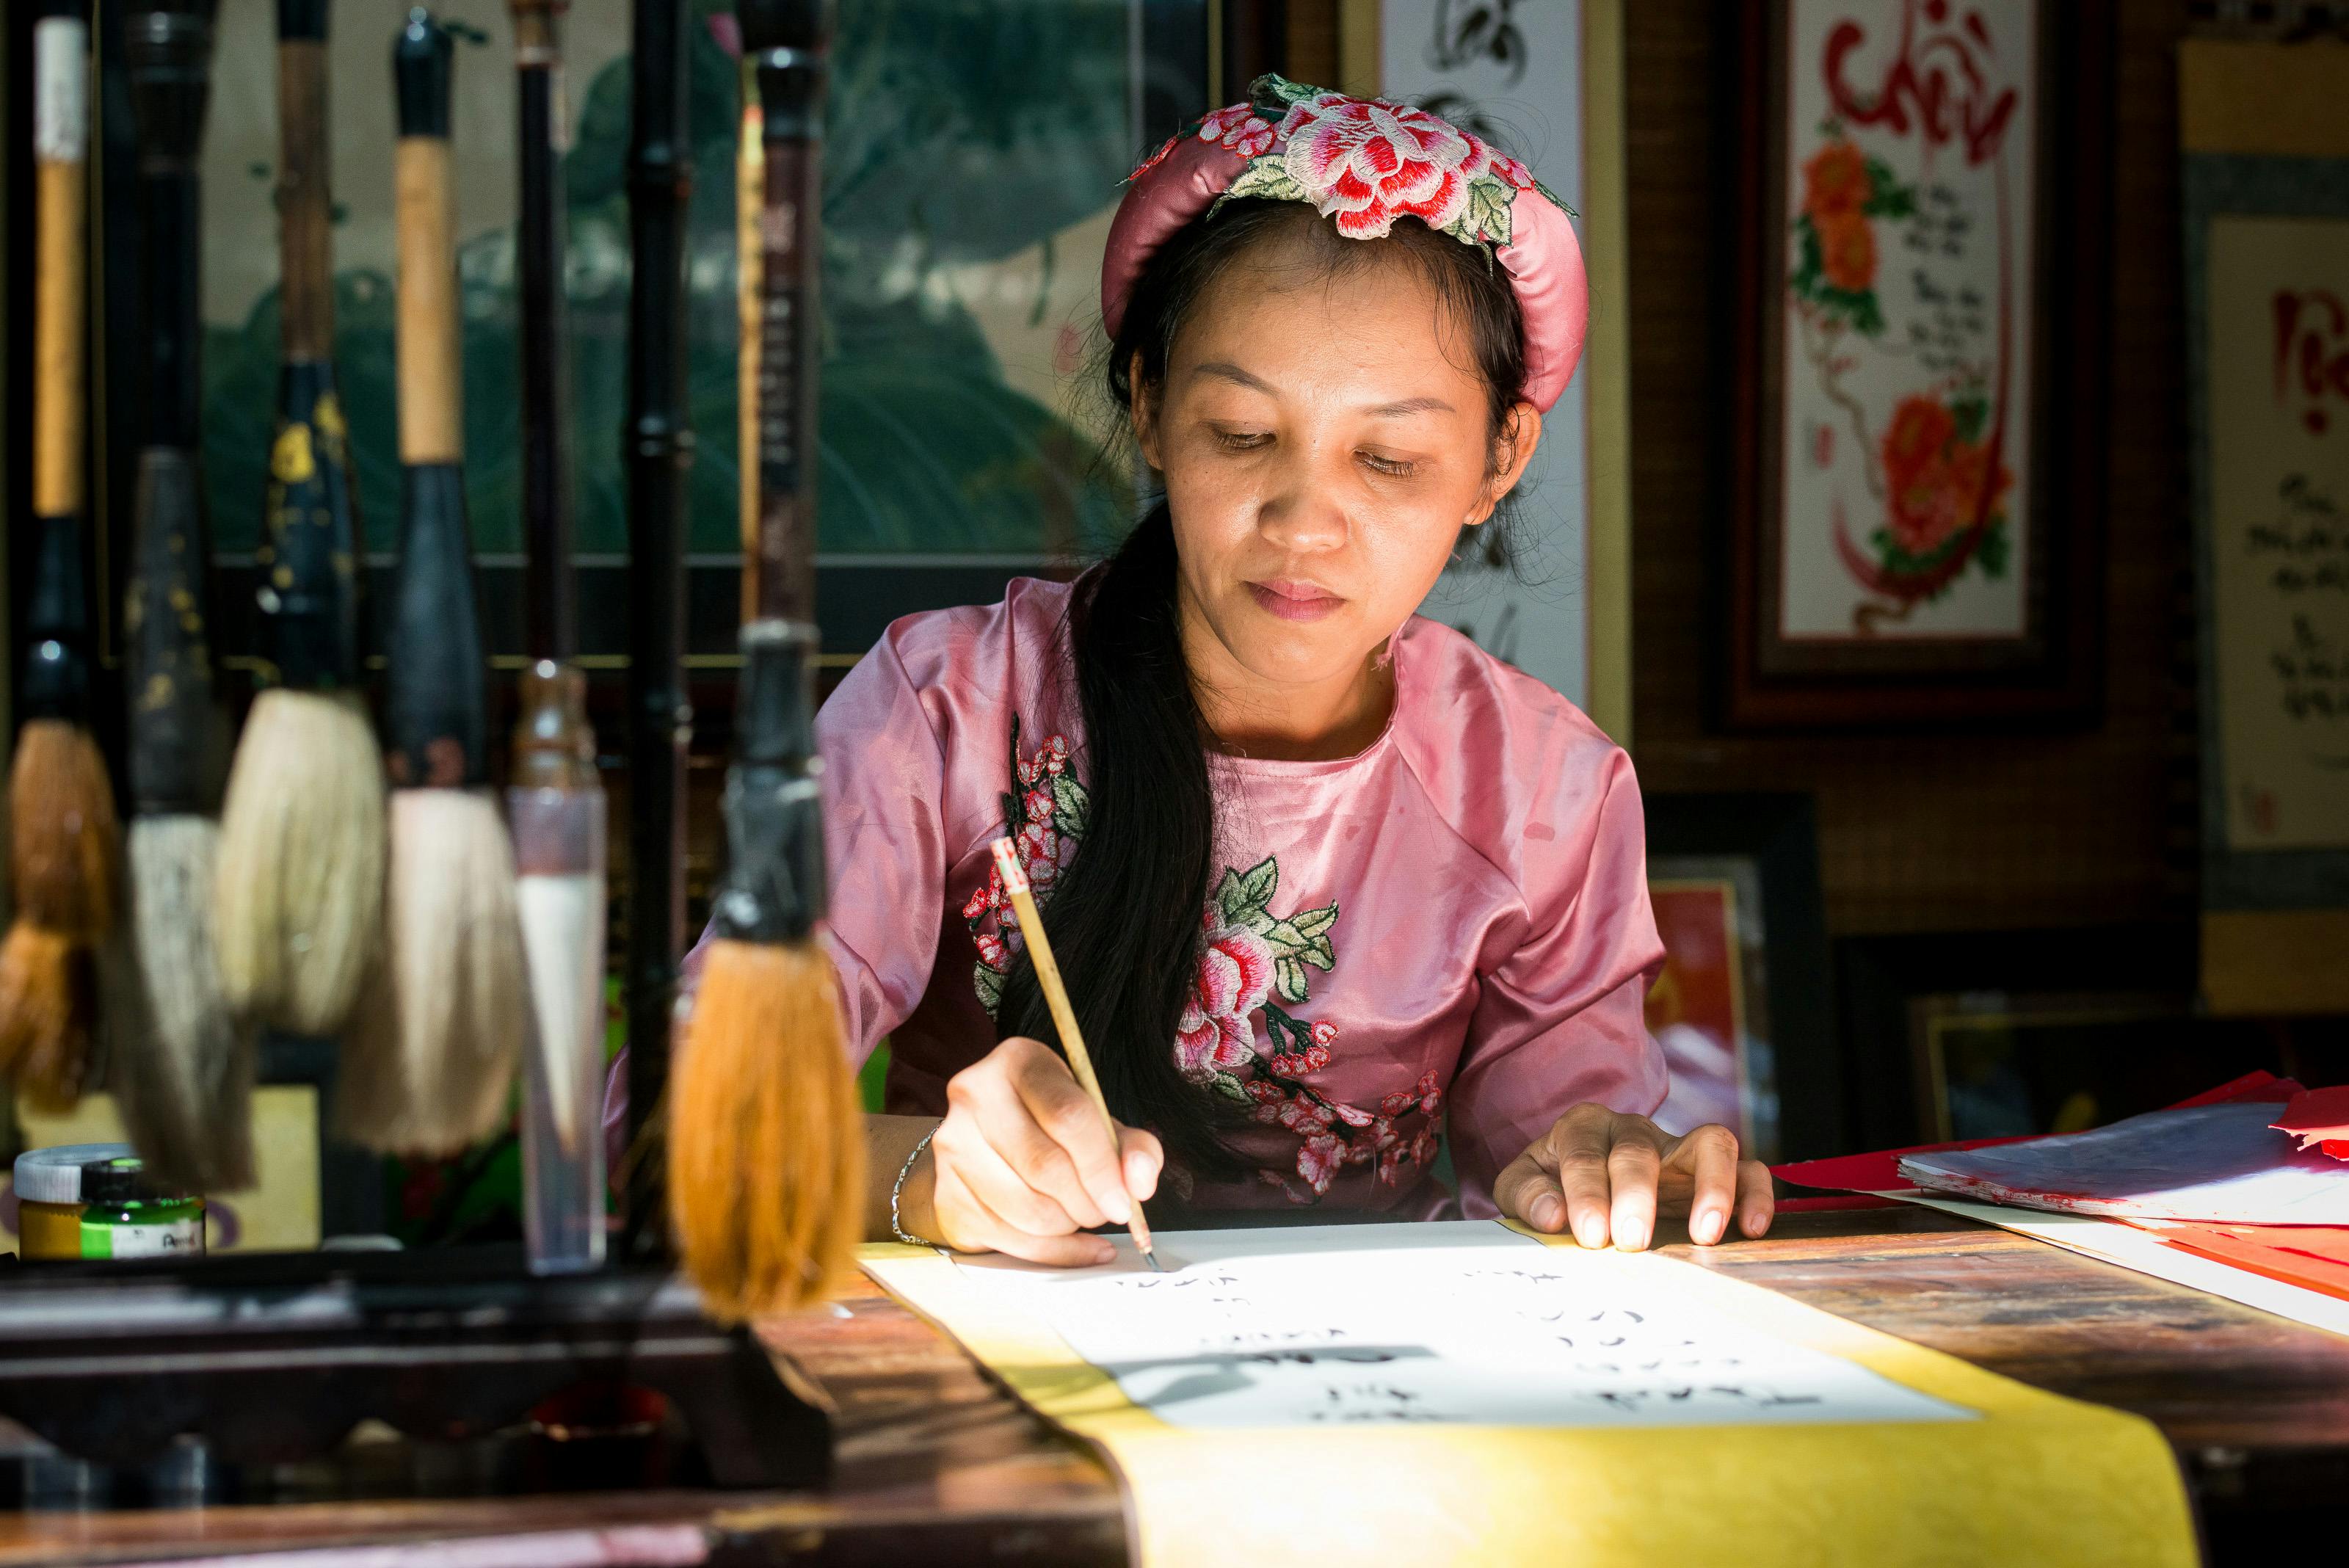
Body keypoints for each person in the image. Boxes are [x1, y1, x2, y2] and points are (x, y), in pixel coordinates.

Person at [653, 77, 1776, 1266]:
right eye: (1242, 436)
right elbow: (672, 1124)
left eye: (1390, 459)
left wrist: (1606, 1169)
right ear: (1146, 404)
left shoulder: (1543, 791)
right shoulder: (948, 713)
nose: (1305, 522)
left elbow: (1558, 1156)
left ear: (1499, 458)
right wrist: (928, 1180)